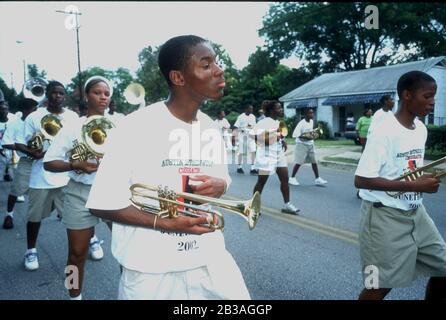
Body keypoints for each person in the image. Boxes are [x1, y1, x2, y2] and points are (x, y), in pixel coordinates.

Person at [86, 35, 250, 300]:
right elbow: (101, 202)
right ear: (178, 78)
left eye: (216, 62)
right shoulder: (135, 126)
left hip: (208, 258)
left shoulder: (210, 126)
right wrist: (165, 222)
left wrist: (222, 185)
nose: (219, 70)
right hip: (150, 270)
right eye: (206, 64)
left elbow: (220, 178)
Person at [354, 70, 446, 300]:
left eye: (434, 96)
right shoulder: (384, 130)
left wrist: (427, 178)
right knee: (378, 285)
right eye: (427, 96)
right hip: (383, 218)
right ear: (407, 95)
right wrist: (417, 187)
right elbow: (361, 180)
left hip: (416, 214)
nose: (433, 102)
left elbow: (407, 169)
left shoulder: (421, 129)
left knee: (443, 269)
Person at [44, 76, 114, 300]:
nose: (103, 97)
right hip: (79, 193)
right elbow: (49, 162)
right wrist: (75, 164)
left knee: (127, 249)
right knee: (75, 254)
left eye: (106, 93)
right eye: (97, 92)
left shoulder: (119, 125)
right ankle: (74, 296)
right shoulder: (72, 127)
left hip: (112, 191)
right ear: (87, 96)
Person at [15, 81, 80, 271]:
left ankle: (82, 246)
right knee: (34, 217)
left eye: (61, 93)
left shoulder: (72, 116)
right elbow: (19, 143)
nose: (57, 96)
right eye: (54, 93)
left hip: (67, 176)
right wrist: (33, 153)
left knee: (75, 216)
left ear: (65, 96)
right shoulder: (34, 117)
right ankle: (31, 251)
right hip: (40, 177)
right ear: (47, 94)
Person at [251, 100, 300, 215]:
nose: (281, 110)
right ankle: (253, 207)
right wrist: (267, 141)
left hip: (279, 154)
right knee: (261, 182)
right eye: (279, 108)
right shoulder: (264, 122)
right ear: (272, 110)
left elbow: (278, 135)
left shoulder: (279, 122)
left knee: (285, 179)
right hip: (266, 155)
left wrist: (282, 140)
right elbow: (253, 135)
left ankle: (287, 205)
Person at [1, 98, 38, 229]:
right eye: (33, 109)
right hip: (27, 162)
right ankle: (9, 215)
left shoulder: (38, 120)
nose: (36, 111)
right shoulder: (15, 123)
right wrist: (25, 149)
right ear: (24, 110)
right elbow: (6, 143)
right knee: (16, 190)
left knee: (52, 189)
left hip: (42, 161)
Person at [289, 108, 328, 186]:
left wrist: (313, 134)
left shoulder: (311, 121)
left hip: (310, 144)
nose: (312, 114)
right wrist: (306, 136)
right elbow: (295, 135)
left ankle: (317, 179)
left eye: (312, 113)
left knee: (314, 162)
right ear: (306, 114)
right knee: (298, 162)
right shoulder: (301, 123)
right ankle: (292, 178)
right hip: (301, 144)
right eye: (310, 113)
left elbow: (310, 132)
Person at [234, 104, 257, 174]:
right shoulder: (241, 117)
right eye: (250, 109)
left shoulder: (253, 117)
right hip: (242, 137)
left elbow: (254, 126)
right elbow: (235, 126)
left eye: (252, 109)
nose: (252, 110)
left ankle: (252, 169)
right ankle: (239, 167)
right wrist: (234, 137)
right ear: (246, 109)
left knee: (253, 151)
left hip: (251, 137)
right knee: (241, 152)